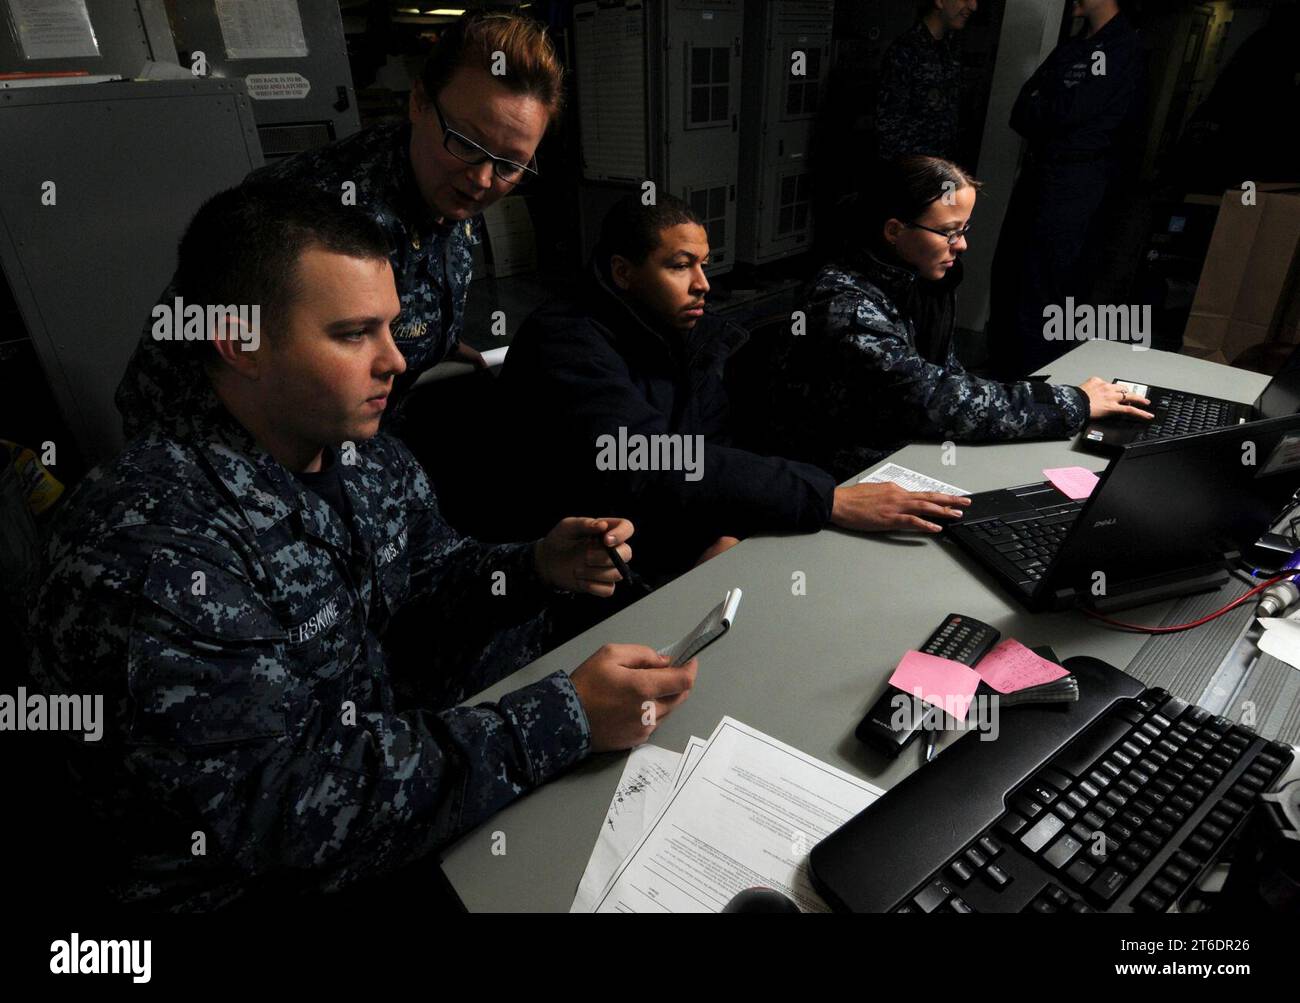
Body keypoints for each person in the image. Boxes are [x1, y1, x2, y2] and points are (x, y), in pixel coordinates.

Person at [25, 183, 695, 914]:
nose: (397, 363)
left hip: (383, 780)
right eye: (353, 334)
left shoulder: (361, 455)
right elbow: (291, 811)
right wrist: (561, 718)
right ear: (240, 342)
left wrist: (532, 564)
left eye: (391, 328)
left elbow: (428, 574)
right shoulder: (150, 559)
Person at [498, 192, 972, 596]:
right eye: (680, 266)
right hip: (584, 574)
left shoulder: (687, 336)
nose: (704, 284)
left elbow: (716, 448)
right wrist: (827, 500)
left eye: (703, 264)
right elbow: (646, 462)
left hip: (671, 545)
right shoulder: (564, 342)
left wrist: (726, 533)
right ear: (623, 272)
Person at [115, 10, 563, 437]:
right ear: (420, 102)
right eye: (467, 143)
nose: (484, 179)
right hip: (231, 444)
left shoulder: (449, 186)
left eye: (510, 163)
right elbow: (197, 374)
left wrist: (440, 342)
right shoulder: (316, 211)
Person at [764, 156, 1152, 483]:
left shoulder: (919, 281)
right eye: (949, 232)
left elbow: (946, 381)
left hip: (903, 445)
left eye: (964, 230)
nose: (961, 245)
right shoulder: (844, 304)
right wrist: (1075, 402)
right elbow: (934, 400)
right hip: (843, 475)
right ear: (894, 231)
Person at [987, 0, 1146, 378]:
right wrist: (1051, 111)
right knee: (1010, 273)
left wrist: (1050, 108)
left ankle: (1036, 383)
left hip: (1074, 186)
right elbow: (1022, 110)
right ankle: (1002, 376)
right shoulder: (1073, 45)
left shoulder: (1122, 48)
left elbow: (1071, 112)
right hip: (1039, 178)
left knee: (1047, 286)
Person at [874, 0, 976, 162]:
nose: (973, 6)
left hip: (944, 168)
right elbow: (888, 128)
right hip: (914, 173)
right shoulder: (906, 50)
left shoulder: (952, 48)